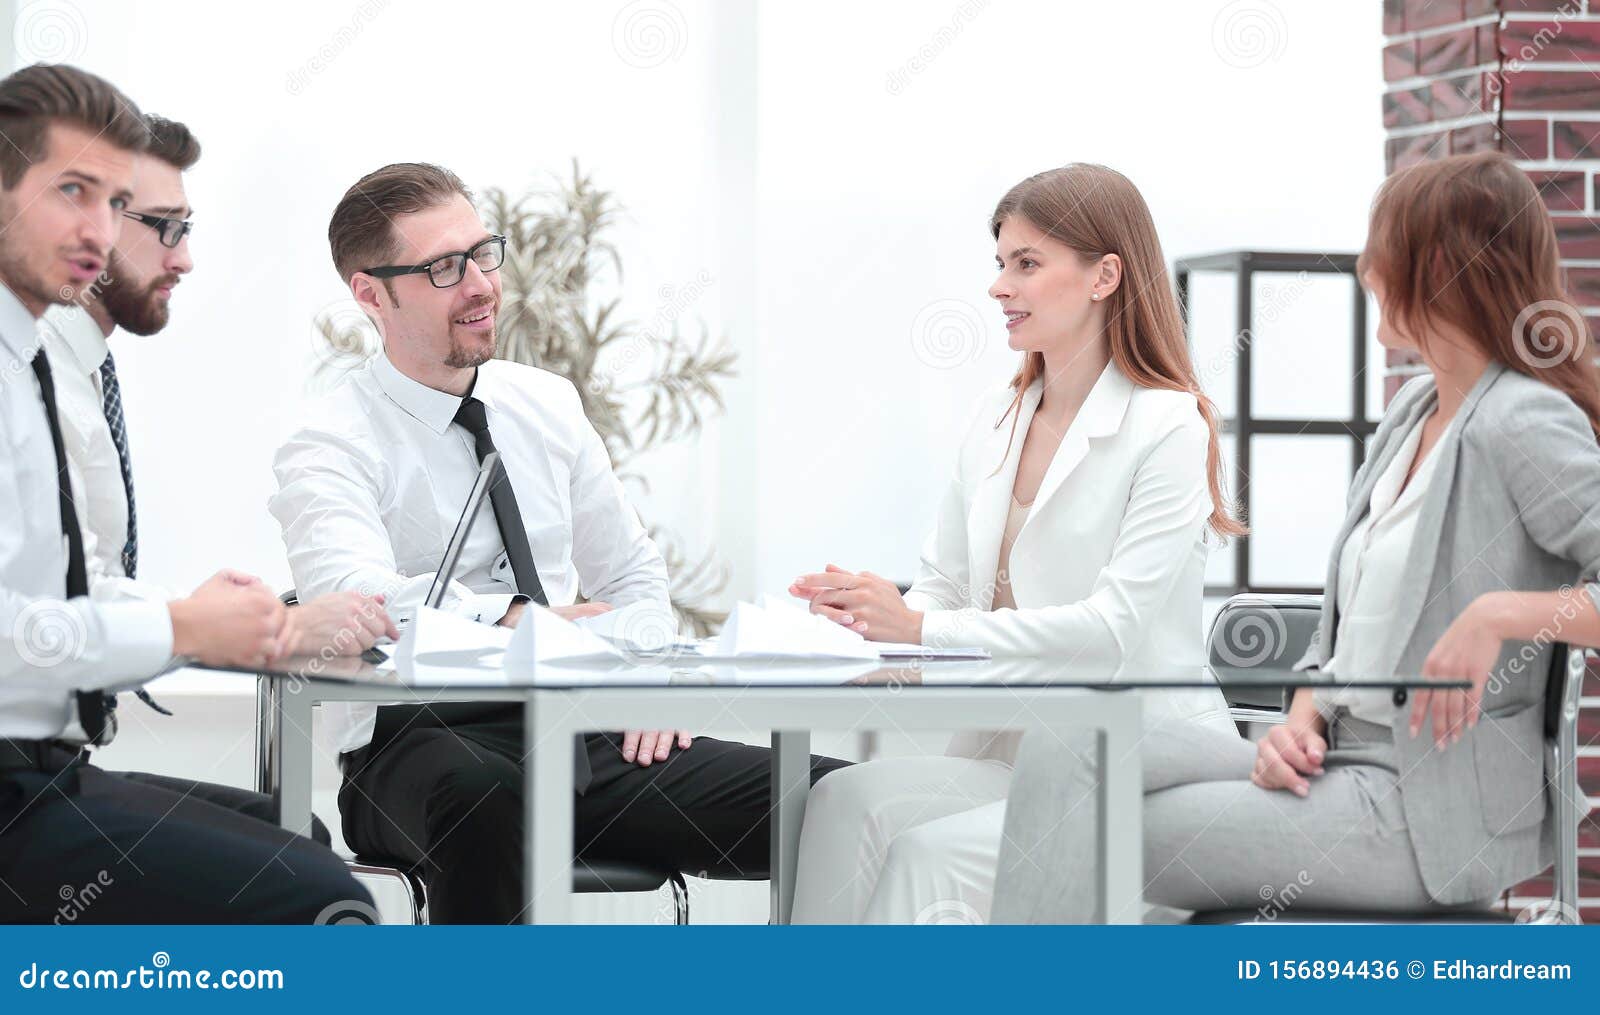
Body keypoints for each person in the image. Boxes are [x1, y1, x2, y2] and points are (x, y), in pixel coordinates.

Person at [992, 151, 1600, 922]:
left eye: (1385, 245)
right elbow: (1344, 629)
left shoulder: (1525, 420)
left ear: (1438, 264)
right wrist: (1300, 718)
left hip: (1419, 809)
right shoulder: (1415, 412)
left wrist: (1499, 615)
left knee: (1102, 830)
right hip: (1334, 754)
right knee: (1071, 741)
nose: (1368, 266)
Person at [270, 161, 848, 923]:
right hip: (420, 744)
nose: (480, 283)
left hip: (584, 734)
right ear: (371, 294)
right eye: (444, 268)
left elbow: (635, 575)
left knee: (837, 800)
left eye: (482, 253)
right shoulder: (328, 441)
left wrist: (643, 676)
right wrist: (515, 620)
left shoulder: (544, 403)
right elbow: (362, 605)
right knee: (491, 800)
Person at [787, 164, 1247, 923]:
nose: (1000, 287)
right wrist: (867, 629)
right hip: (1016, 756)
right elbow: (942, 591)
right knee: (842, 798)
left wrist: (920, 627)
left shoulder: (1167, 425)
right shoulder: (995, 419)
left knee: (926, 856)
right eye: (1000, 264)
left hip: (1135, 767)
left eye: (1026, 264)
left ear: (1105, 276)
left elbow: (1107, 634)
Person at [0, 63, 371, 924]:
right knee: (320, 896)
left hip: (43, 763)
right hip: (16, 779)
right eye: (73, 192)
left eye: (112, 200)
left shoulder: (32, 372)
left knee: (300, 844)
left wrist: (201, 618)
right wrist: (185, 626)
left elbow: (59, 591)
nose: (95, 228)